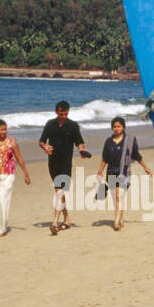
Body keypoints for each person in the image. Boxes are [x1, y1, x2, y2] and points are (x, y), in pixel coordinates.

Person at [38, 100, 91, 235]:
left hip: (66, 164)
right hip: (53, 163)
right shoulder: (50, 124)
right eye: (61, 114)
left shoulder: (73, 126)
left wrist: (82, 151)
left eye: (66, 114)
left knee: (59, 192)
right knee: (59, 192)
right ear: (56, 112)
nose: (63, 116)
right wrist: (45, 147)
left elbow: (79, 142)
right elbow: (41, 141)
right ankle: (67, 219)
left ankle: (55, 222)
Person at [95, 116, 152, 231]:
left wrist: (146, 167)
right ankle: (120, 218)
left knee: (119, 196)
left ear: (123, 127)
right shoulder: (108, 142)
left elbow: (136, 155)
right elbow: (104, 158)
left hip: (124, 173)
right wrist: (100, 171)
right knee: (115, 199)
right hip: (111, 172)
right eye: (114, 127)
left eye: (119, 126)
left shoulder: (130, 140)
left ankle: (116, 222)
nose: (116, 129)